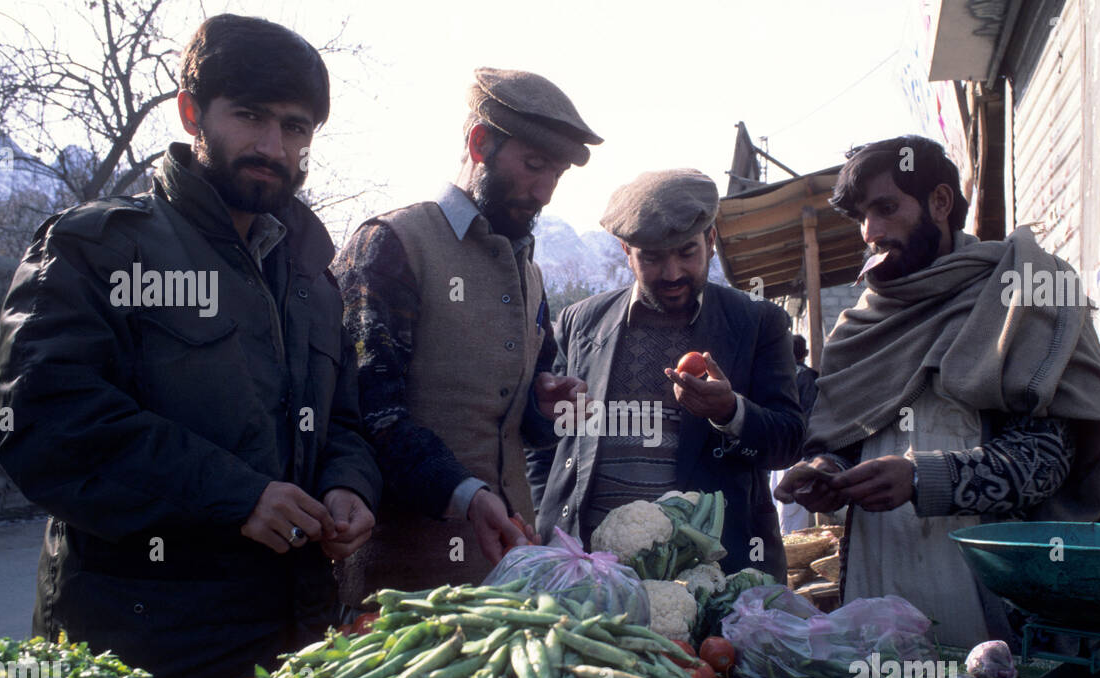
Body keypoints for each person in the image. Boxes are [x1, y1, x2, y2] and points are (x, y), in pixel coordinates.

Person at [0, 14, 381, 678]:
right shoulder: (96, 249)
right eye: (251, 116)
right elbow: (48, 426)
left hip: (291, 648)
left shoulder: (312, 279)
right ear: (191, 112)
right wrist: (238, 497)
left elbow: (344, 421)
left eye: (295, 128)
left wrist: (349, 487)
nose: (272, 145)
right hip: (142, 657)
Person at [775, 135, 1100, 649]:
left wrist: (924, 479)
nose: (871, 232)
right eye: (862, 217)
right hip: (879, 599)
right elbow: (845, 439)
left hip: (998, 607)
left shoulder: (1021, 293)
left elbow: (1047, 460)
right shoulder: (860, 329)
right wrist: (828, 473)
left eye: (887, 208)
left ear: (940, 202)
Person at [332, 68, 596, 603]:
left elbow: (524, 421)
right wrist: (466, 495)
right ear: (480, 143)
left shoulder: (530, 272)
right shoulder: (391, 245)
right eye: (534, 165)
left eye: (558, 174)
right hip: (405, 585)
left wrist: (547, 407)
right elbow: (367, 413)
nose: (545, 190)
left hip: (510, 577)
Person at [529, 169, 804, 580]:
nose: (673, 273)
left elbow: (788, 442)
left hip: (709, 577)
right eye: (653, 257)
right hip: (586, 571)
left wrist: (731, 412)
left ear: (711, 241)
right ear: (626, 250)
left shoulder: (757, 322)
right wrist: (543, 519)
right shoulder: (581, 322)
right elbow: (547, 444)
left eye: (686, 252)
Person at [772, 334, 819, 534]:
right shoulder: (809, 378)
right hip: (798, 451)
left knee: (776, 498)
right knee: (792, 505)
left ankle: (782, 545)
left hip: (776, 450)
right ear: (806, 354)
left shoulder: (776, 376)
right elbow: (812, 415)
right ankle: (791, 549)